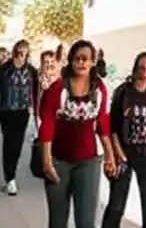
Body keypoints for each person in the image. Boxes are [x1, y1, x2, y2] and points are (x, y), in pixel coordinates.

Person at [38, 39, 114, 228]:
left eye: (86, 59)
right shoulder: (58, 89)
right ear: (71, 61)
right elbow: (47, 125)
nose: (81, 62)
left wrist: (110, 155)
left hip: (88, 161)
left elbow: (102, 122)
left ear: (92, 61)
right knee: (58, 221)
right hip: (59, 160)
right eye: (77, 58)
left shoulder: (99, 89)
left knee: (86, 221)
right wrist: (46, 160)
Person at [102, 51, 146, 228]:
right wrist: (118, 153)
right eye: (142, 67)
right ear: (136, 68)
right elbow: (113, 127)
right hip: (123, 150)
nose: (145, 71)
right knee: (117, 202)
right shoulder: (123, 92)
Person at [0, 39, 40, 196]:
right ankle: (10, 178)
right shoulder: (3, 69)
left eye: (25, 51)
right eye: (20, 51)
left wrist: (37, 112)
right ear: (15, 50)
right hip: (6, 111)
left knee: (17, 144)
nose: (22, 54)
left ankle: (11, 176)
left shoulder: (31, 70)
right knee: (9, 143)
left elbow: (36, 92)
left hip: (22, 111)